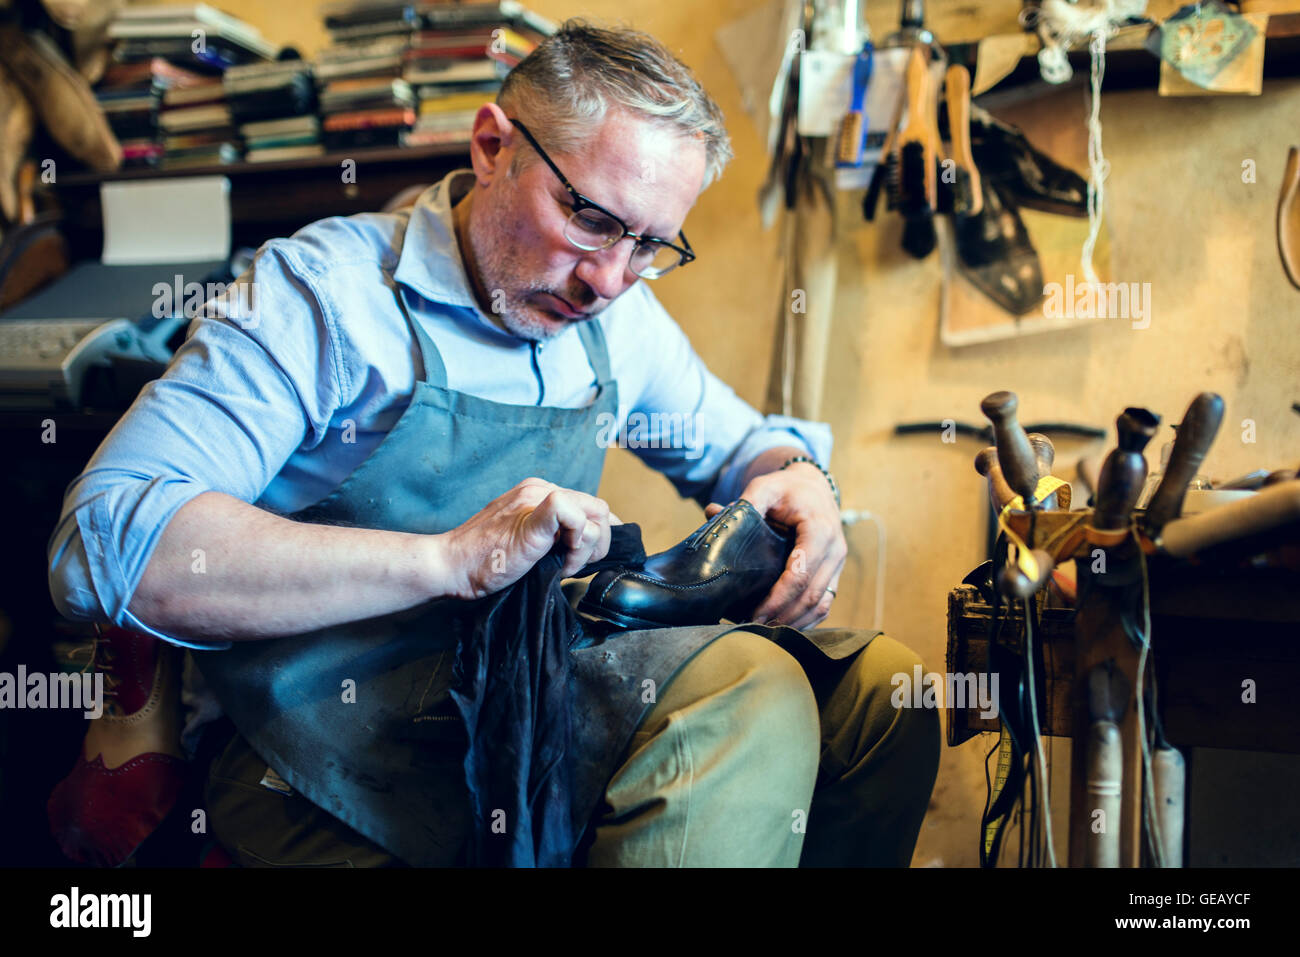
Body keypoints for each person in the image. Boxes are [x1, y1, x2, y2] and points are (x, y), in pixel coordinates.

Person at [47, 20, 939, 867]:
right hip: (321, 753)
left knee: (882, 692)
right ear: (492, 146)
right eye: (589, 218)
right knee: (750, 688)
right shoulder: (322, 297)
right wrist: (447, 560)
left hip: (515, 706)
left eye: (651, 246)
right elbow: (103, 542)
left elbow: (746, 446)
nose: (608, 280)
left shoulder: (615, 318)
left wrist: (799, 478)